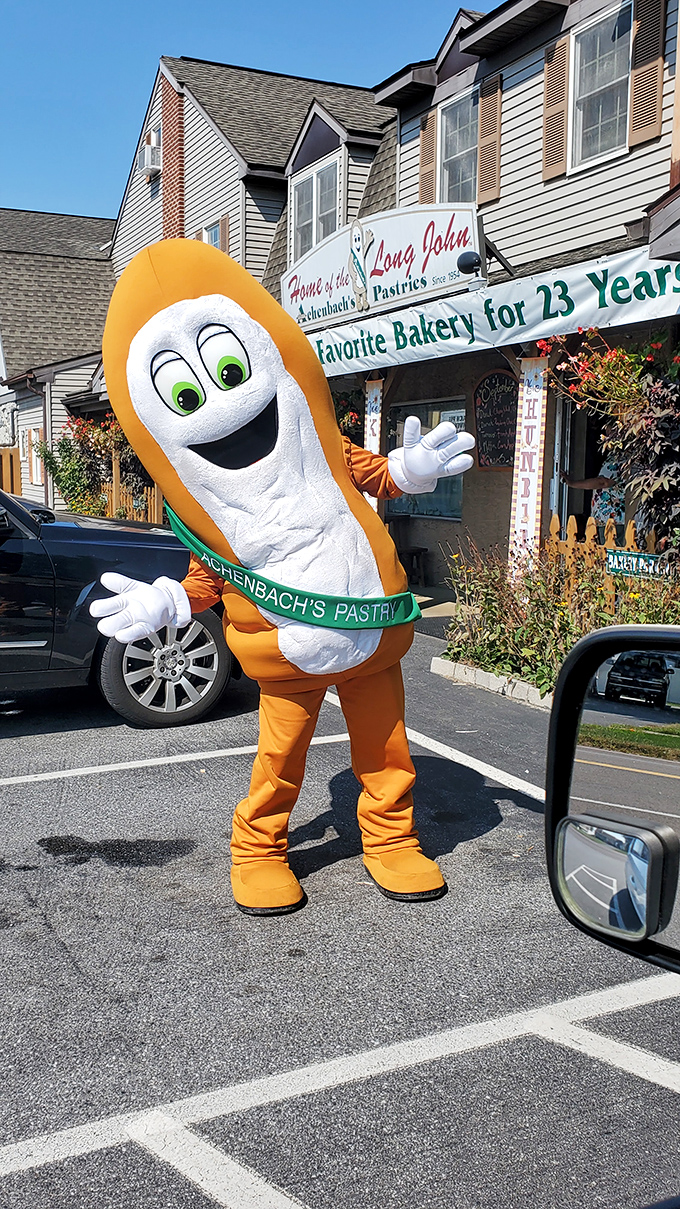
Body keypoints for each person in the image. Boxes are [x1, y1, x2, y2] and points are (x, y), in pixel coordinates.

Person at [90, 238, 476, 917]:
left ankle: (391, 839)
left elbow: (376, 475)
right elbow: (206, 579)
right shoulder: (206, 512)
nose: (220, 404)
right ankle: (259, 849)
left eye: (231, 367)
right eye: (184, 393)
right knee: (281, 758)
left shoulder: (325, 448)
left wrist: (411, 471)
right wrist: (170, 600)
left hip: (372, 636)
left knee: (386, 749)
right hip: (284, 647)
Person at [560, 459, 625, 540]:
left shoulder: (617, 459)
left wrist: (572, 483)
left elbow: (602, 482)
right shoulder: (616, 458)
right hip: (605, 520)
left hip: (610, 521)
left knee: (610, 550)